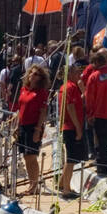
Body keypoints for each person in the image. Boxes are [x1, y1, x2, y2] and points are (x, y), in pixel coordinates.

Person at [16, 64, 50, 194]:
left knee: (31, 156)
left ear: (41, 78)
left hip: (33, 126)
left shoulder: (41, 93)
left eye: (36, 74)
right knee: (26, 156)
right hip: (23, 126)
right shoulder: (24, 89)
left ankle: (34, 185)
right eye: (31, 73)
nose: (32, 75)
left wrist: (37, 130)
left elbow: (43, 112)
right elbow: (20, 109)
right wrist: (17, 126)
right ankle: (32, 183)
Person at [57, 62, 86, 198]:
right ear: (71, 74)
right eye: (77, 73)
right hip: (71, 127)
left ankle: (62, 184)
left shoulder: (65, 87)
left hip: (67, 126)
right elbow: (70, 107)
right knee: (72, 159)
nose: (79, 75)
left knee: (71, 158)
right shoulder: (71, 87)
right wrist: (78, 128)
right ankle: (67, 190)